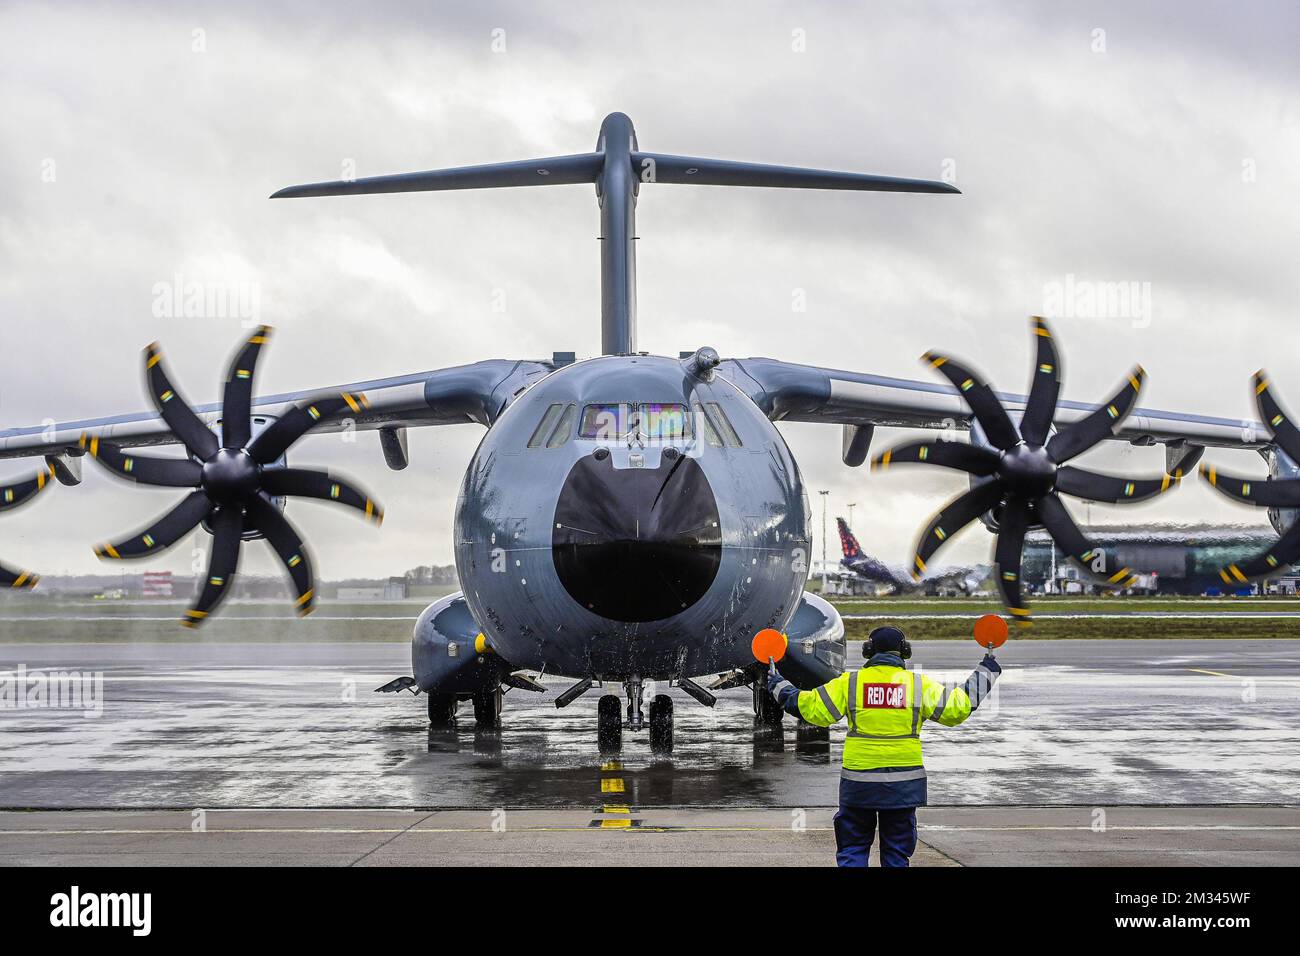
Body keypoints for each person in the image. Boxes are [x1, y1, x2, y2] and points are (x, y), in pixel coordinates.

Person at [766, 624, 1000, 867]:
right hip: (903, 787)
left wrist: (778, 684)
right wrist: (987, 670)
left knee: (853, 849)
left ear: (869, 651)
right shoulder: (918, 686)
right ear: (904, 652)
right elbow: (957, 709)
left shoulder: (851, 683)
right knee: (897, 853)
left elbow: (808, 707)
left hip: (859, 785)